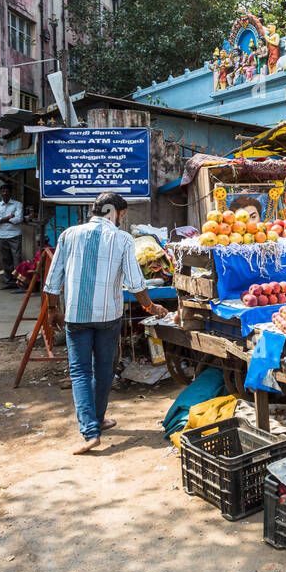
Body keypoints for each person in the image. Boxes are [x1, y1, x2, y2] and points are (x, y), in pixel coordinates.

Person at [44, 192, 169, 455]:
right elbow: (136, 284)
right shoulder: (122, 239)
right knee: (103, 369)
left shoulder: (68, 235)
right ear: (114, 212)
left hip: (76, 315)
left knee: (80, 371)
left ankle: (92, 429)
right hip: (108, 317)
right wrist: (151, 306)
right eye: (122, 215)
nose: (121, 220)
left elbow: (53, 278)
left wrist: (53, 310)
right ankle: (94, 426)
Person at [0, 184, 24, 290]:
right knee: (5, 259)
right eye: (2, 191)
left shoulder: (17, 204)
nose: (4, 193)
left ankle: (19, 282)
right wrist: (9, 217)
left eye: (6, 191)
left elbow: (18, 219)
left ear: (10, 193)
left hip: (14, 235)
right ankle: (9, 281)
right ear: (0, 193)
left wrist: (1, 219)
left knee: (17, 258)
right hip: (1, 235)